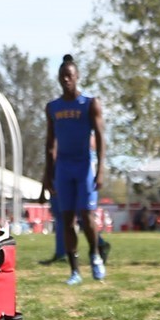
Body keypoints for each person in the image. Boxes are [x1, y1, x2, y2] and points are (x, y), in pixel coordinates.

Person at [43, 55, 108, 285]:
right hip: (63, 167)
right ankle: (75, 270)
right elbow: (50, 144)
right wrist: (47, 175)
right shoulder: (53, 107)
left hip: (84, 166)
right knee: (66, 219)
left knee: (87, 215)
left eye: (70, 76)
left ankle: (96, 255)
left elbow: (100, 138)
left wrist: (100, 169)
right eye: (62, 77)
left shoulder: (90, 104)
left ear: (77, 77)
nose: (66, 80)